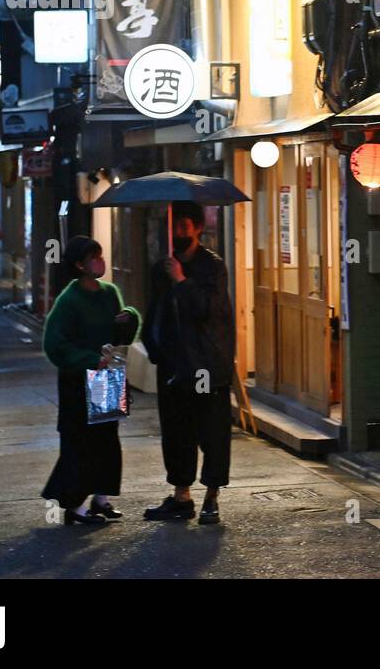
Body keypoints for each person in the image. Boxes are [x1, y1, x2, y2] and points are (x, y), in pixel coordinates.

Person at [141, 201, 235, 525]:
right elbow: (154, 310)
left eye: (184, 225)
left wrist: (181, 280)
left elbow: (207, 310)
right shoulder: (161, 267)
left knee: (211, 430)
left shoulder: (212, 266)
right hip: (173, 364)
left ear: (197, 228)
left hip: (207, 366)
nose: (178, 232)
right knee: (176, 431)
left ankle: (212, 496)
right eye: (174, 226)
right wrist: (152, 346)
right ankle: (181, 495)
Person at [41, 235, 141, 526]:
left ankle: (101, 498)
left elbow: (122, 335)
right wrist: (87, 360)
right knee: (79, 441)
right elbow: (54, 344)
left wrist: (129, 317)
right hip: (78, 381)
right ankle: (74, 504)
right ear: (79, 265)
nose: (101, 262)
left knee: (107, 438)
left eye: (101, 256)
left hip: (107, 377)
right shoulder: (69, 300)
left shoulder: (110, 293)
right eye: (94, 258)